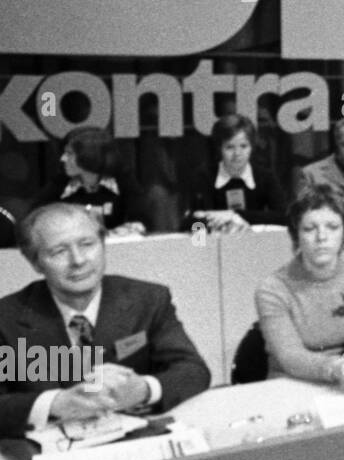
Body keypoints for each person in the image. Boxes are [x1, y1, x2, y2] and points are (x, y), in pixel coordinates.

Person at [0, 204, 210, 438]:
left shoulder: (149, 299)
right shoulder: (6, 318)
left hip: (134, 443)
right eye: (59, 251)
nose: (78, 260)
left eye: (87, 244)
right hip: (49, 454)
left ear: (102, 245)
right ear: (36, 263)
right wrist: (56, 402)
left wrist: (143, 389)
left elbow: (193, 371)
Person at [254, 187, 344, 389]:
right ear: (296, 235)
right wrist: (334, 369)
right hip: (293, 381)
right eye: (309, 229)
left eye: (332, 227)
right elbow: (290, 356)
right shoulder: (272, 289)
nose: (322, 237)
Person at [32, 126, 148, 235]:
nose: (63, 158)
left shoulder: (123, 181)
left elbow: (140, 222)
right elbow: (34, 219)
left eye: (69, 153)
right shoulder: (60, 183)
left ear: (89, 156)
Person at [184, 113, 288, 232]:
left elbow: (284, 217)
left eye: (244, 146)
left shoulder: (265, 176)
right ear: (219, 148)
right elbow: (191, 223)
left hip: (256, 245)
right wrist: (208, 226)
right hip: (214, 247)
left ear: (252, 147)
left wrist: (234, 215)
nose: (237, 153)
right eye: (230, 147)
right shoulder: (204, 177)